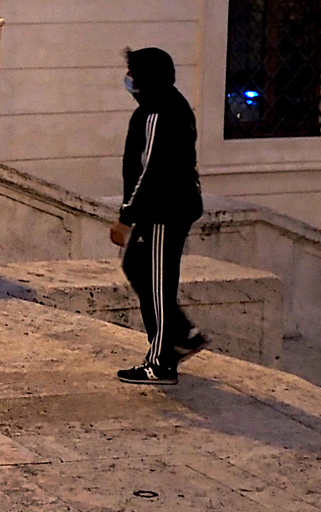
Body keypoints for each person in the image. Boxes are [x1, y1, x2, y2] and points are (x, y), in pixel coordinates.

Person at [109, 46, 209, 385]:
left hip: (164, 211)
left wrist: (127, 216)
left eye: (133, 74)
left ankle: (162, 361)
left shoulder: (157, 112)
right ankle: (182, 335)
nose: (129, 80)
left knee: (157, 283)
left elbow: (150, 170)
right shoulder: (169, 104)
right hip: (166, 208)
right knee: (137, 267)